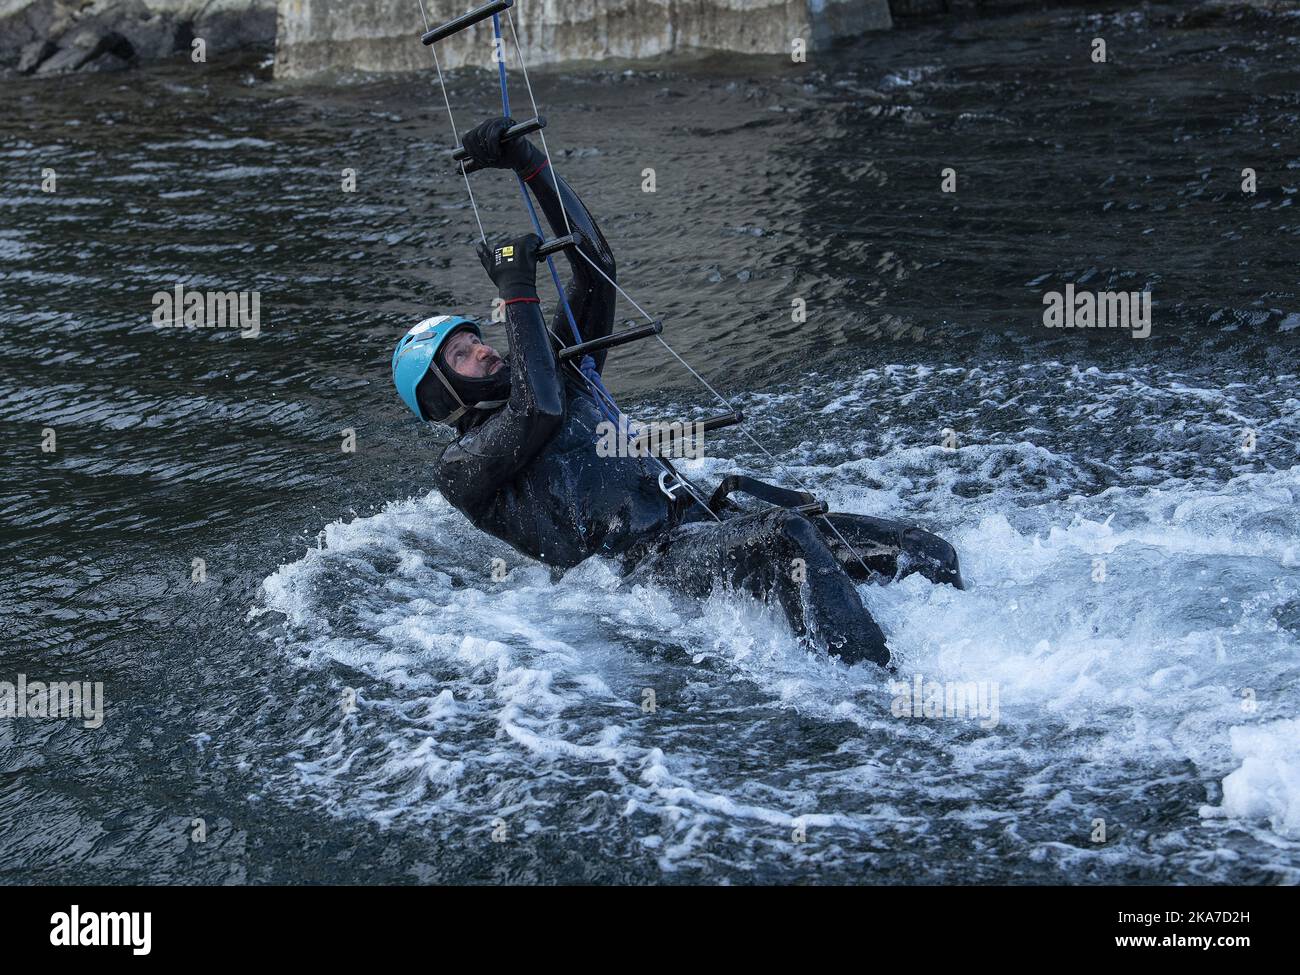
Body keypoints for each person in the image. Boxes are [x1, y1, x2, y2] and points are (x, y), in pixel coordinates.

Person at [391, 118, 963, 666]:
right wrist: (516, 287)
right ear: (439, 394)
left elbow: (597, 268)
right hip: (649, 570)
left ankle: (971, 651)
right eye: (461, 356)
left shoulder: (558, 371)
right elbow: (535, 411)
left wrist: (528, 163)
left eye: (476, 339)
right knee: (789, 537)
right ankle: (874, 691)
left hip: (708, 520)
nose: (485, 351)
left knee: (927, 551)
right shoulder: (463, 467)